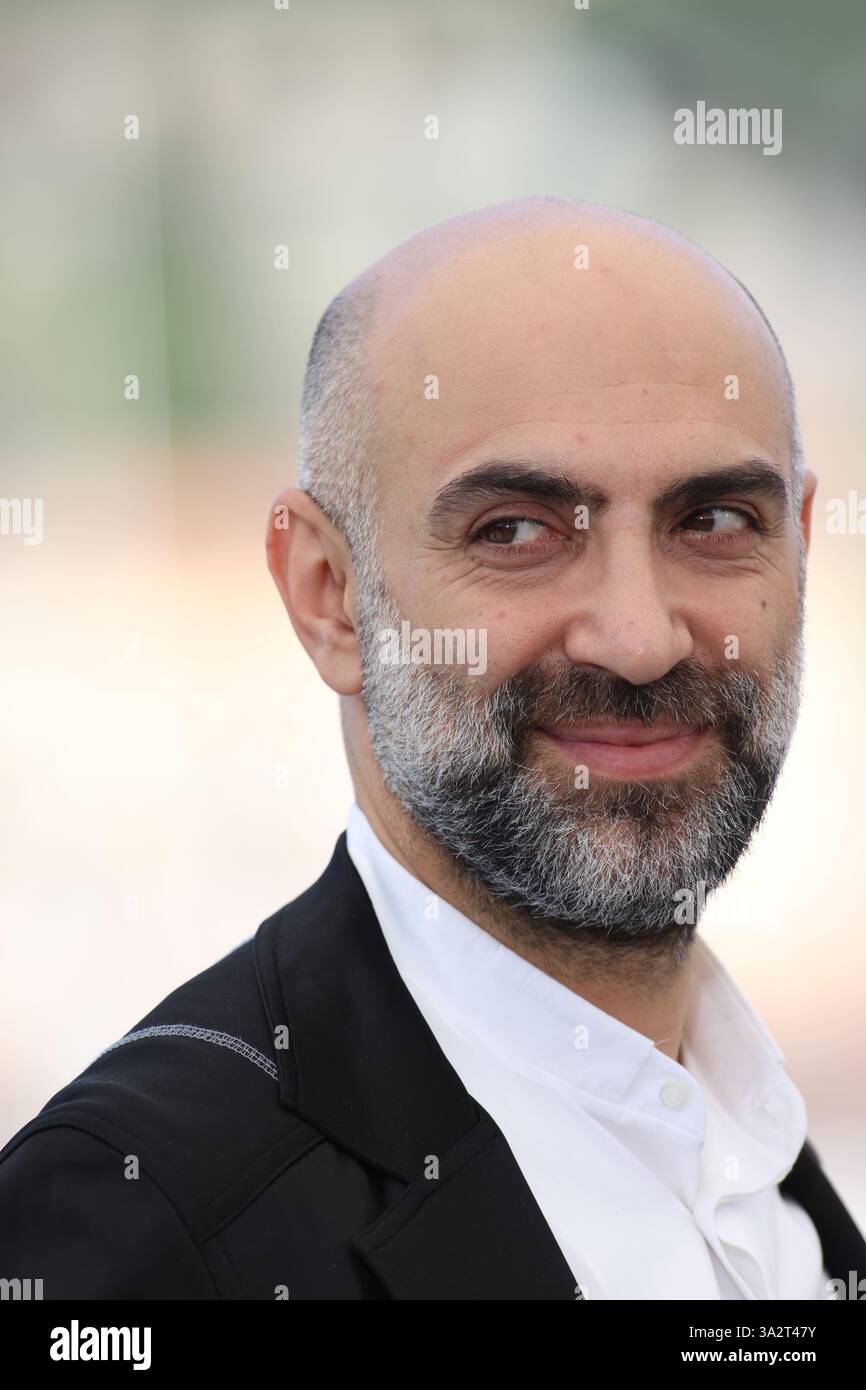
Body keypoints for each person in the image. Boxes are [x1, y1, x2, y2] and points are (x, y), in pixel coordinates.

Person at [1, 195, 862, 1300]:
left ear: (797, 547)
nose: (640, 639)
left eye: (712, 521)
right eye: (515, 531)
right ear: (328, 596)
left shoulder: (758, 1157)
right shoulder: (140, 1222)